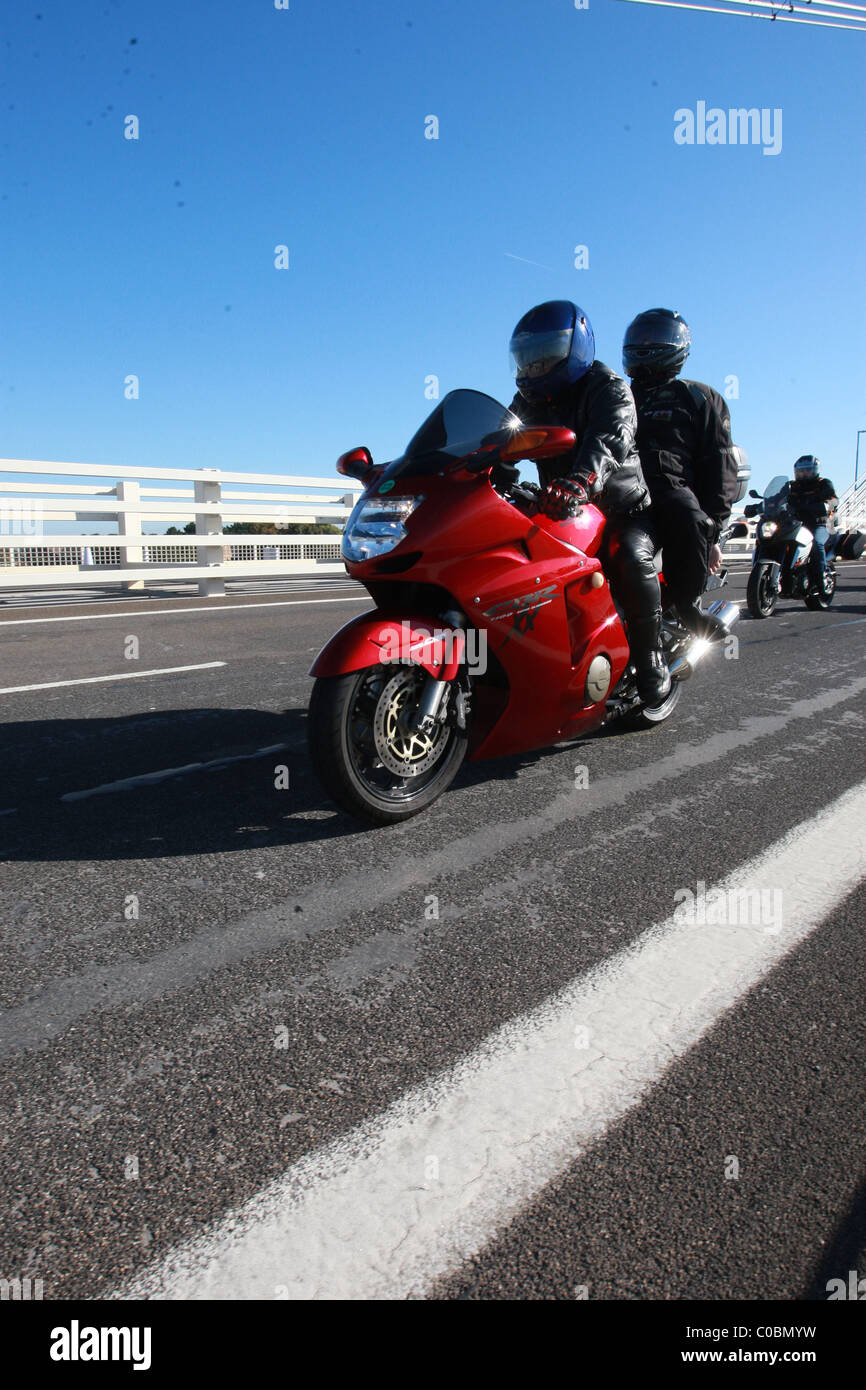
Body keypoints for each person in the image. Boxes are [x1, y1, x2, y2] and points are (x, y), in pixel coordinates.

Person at [508, 299, 670, 705]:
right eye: (526, 358)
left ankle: (651, 656)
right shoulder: (527, 402)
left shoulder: (609, 389)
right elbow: (499, 443)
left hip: (622, 509)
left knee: (629, 556)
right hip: (564, 510)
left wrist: (580, 481)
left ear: (575, 348)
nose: (533, 367)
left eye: (543, 356)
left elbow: (610, 440)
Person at [622, 308, 742, 639]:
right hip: (619, 493)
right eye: (639, 339)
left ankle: (689, 608)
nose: (644, 345)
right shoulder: (617, 395)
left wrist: (713, 532)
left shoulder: (698, 396)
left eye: (654, 338)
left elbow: (719, 464)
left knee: (687, 514)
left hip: (669, 495)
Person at [788, 455, 838, 586]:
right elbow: (778, 497)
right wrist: (761, 505)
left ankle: (820, 577)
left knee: (816, 543)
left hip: (820, 523)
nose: (804, 473)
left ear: (815, 470)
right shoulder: (791, 486)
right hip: (797, 524)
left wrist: (826, 505)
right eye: (801, 471)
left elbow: (833, 499)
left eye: (808, 470)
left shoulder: (823, 484)